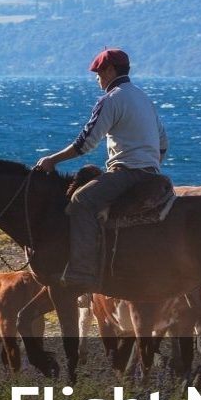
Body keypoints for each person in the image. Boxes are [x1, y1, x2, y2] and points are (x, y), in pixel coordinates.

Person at [35, 48, 168, 289]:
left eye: (98, 73)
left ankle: (82, 273)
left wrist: (52, 160)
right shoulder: (143, 98)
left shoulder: (111, 99)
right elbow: (163, 144)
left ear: (110, 70)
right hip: (152, 173)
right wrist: (150, 163)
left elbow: (86, 143)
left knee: (81, 201)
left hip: (127, 173)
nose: (97, 78)